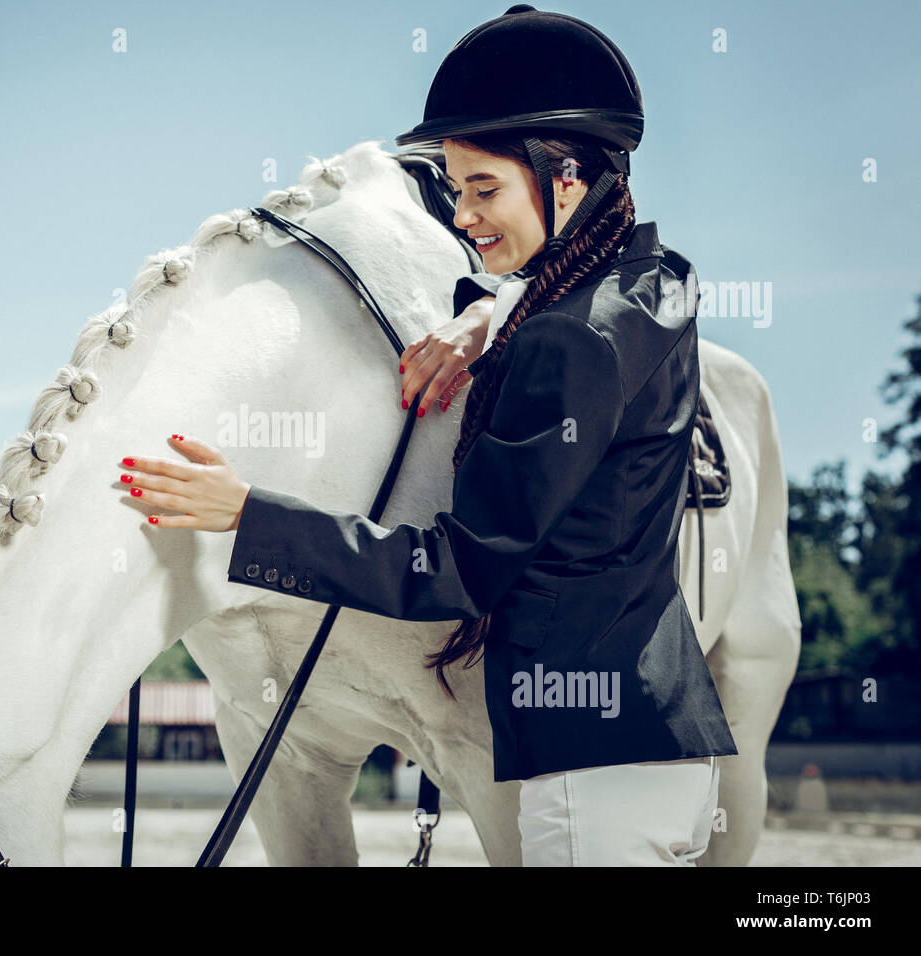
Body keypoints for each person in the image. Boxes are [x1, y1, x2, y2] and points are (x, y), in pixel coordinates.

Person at [114, 4, 738, 866]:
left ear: (566, 180)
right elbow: (599, 295)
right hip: (651, 739)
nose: (467, 221)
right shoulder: (655, 284)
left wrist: (248, 515)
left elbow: (459, 570)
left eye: (486, 190)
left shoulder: (566, 343)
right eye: (456, 191)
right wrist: (492, 312)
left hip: (588, 771)